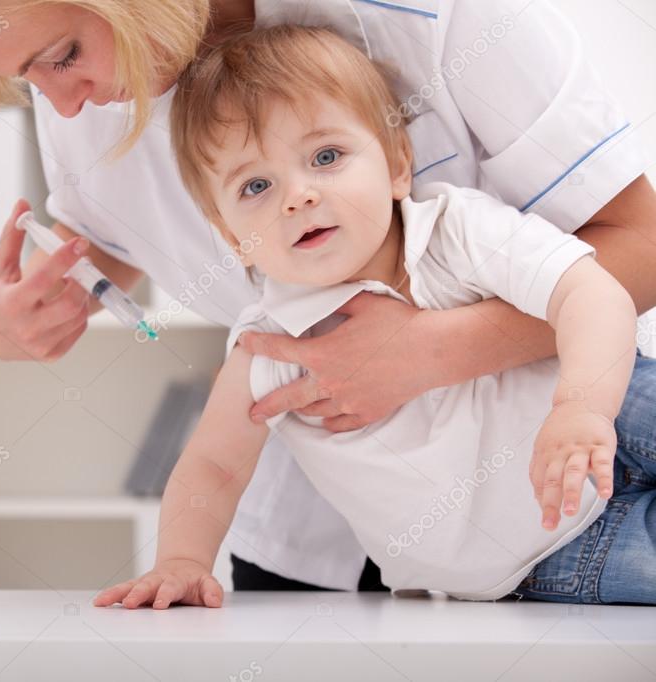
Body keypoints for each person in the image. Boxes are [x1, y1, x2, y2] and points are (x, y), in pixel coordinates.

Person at [0, 0, 656, 594]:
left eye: (61, 55)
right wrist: (10, 323)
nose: (62, 103)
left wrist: (427, 353)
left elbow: (640, 245)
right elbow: (109, 249)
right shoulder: (85, 89)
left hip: (579, 415)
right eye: (27, 79)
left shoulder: (442, 24)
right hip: (358, 543)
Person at [95, 24, 655, 607]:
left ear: (396, 165)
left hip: (611, 410)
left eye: (326, 157)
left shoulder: (455, 228)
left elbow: (592, 293)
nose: (298, 195)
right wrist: (182, 561)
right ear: (233, 238)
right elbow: (213, 465)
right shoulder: (269, 347)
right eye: (256, 186)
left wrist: (582, 407)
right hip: (544, 551)